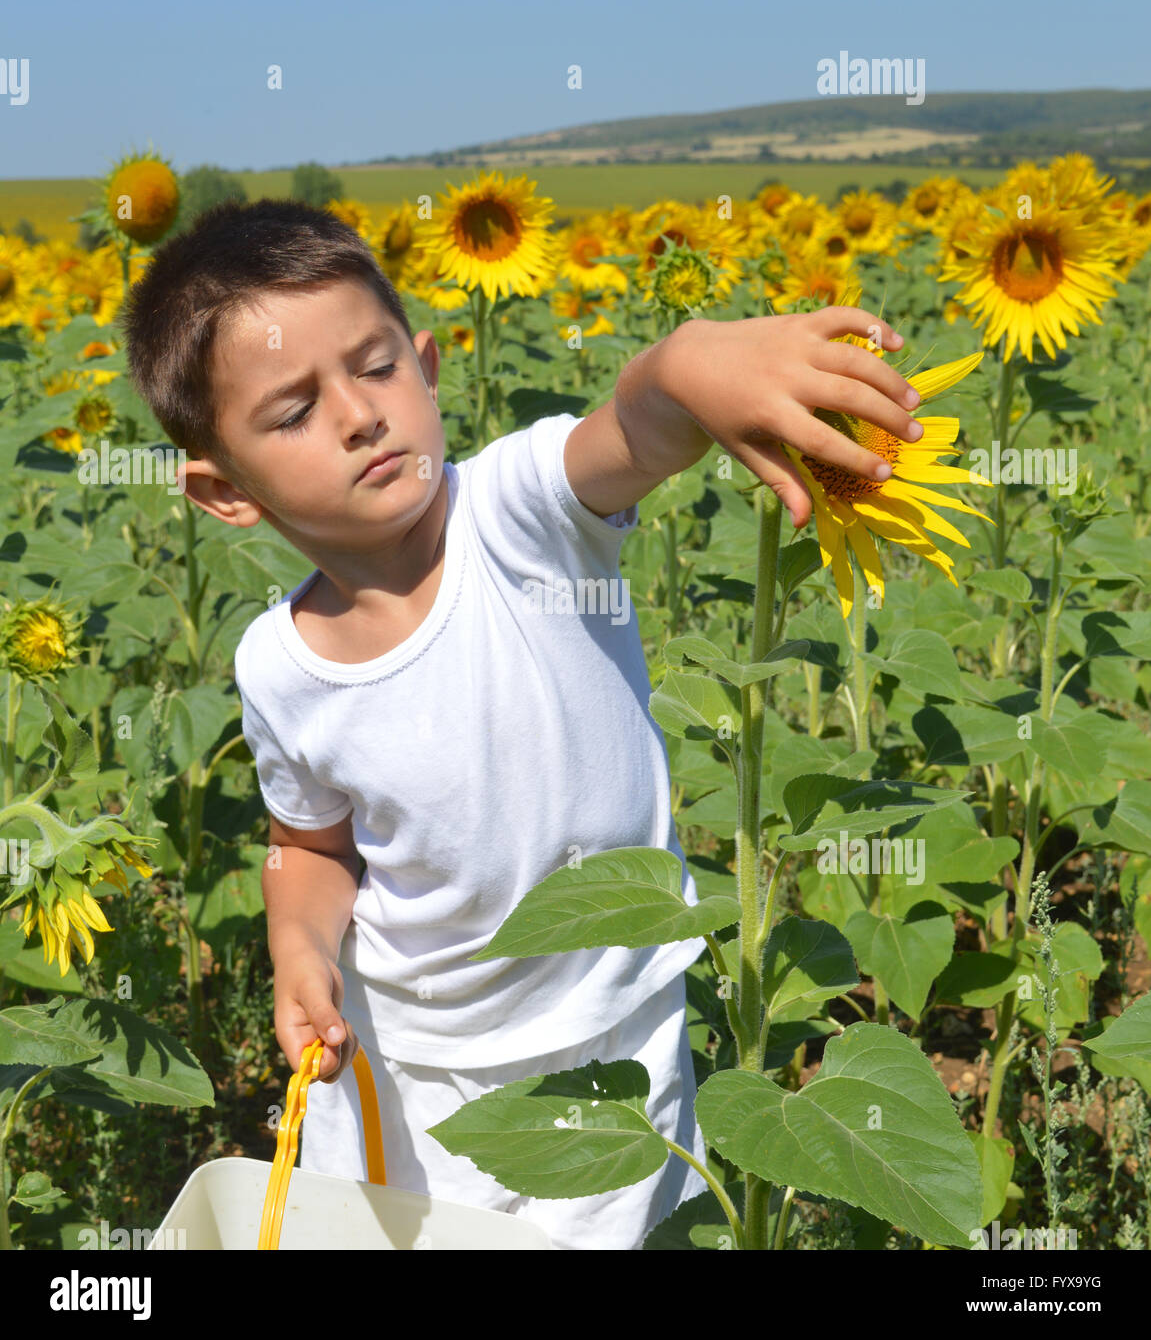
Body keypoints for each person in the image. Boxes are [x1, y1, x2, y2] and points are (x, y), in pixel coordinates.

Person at [119, 198, 923, 1250]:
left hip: (603, 1053)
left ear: (429, 365)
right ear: (225, 491)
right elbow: (309, 843)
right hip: (400, 1072)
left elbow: (634, 426)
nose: (360, 415)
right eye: (292, 412)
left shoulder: (515, 518)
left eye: (373, 368)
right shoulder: (278, 664)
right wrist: (297, 938)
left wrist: (687, 364)